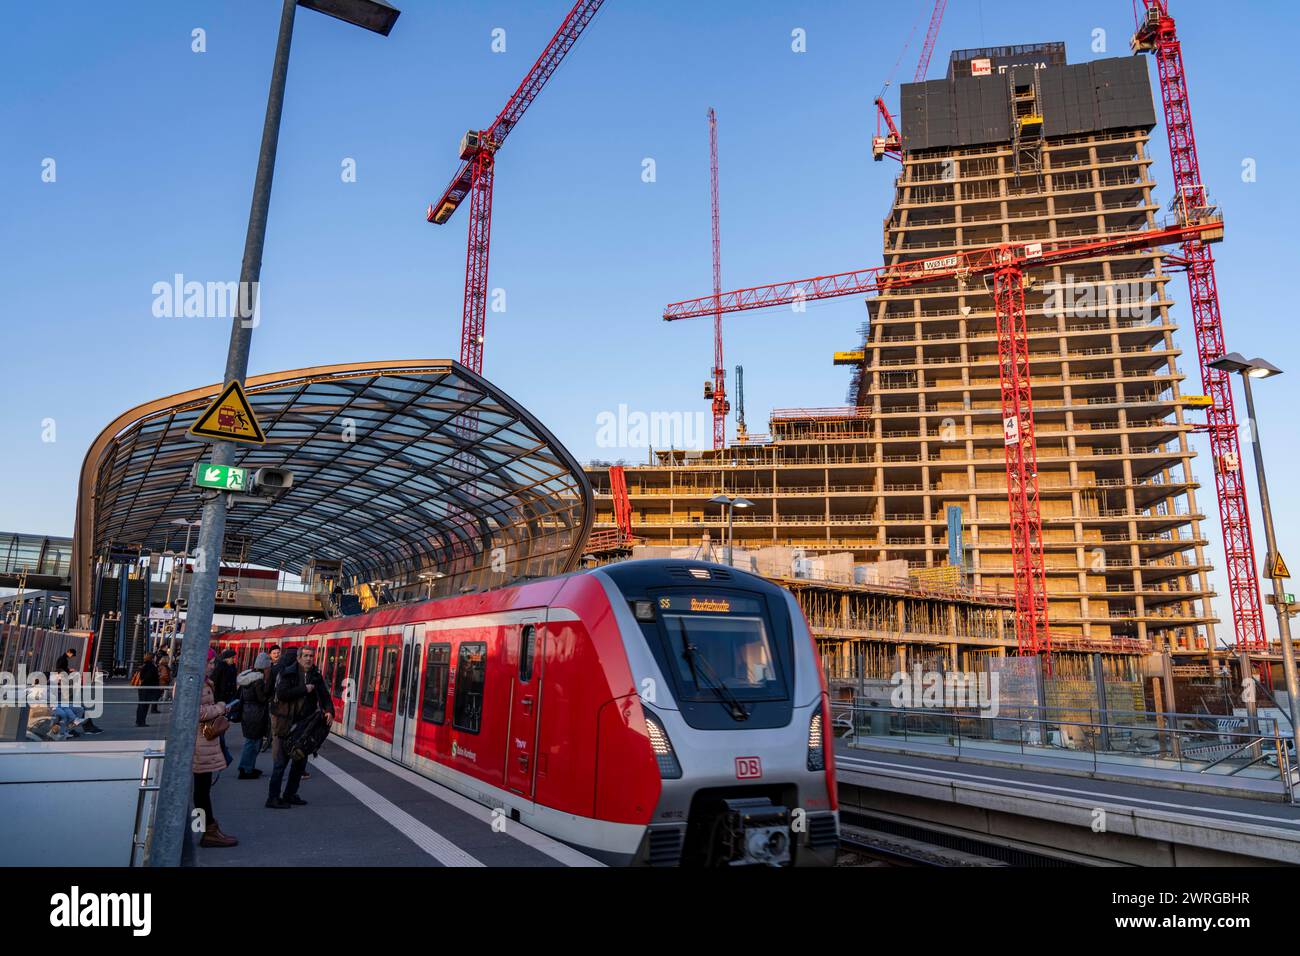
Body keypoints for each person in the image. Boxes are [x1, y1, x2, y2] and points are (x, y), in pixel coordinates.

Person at [266, 646, 333, 809]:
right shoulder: (287, 673)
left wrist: (329, 710)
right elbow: (282, 694)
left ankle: (290, 794)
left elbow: (325, 696)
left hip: (304, 728)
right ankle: (273, 798)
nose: (309, 659)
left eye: (311, 656)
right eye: (306, 656)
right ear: (298, 658)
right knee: (280, 764)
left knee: (299, 763)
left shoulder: (315, 676)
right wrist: (304, 689)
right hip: (286, 725)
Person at [193, 657, 238, 848]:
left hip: (204, 743)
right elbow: (198, 711)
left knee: (202, 789)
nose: (212, 666)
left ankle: (204, 830)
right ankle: (208, 832)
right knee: (201, 790)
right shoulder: (195, 683)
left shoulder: (202, 683)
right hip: (200, 743)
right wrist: (220, 707)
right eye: (209, 662)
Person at [236, 652, 273, 779]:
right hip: (256, 715)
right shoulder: (258, 681)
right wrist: (270, 693)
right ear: (265, 667)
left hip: (248, 713)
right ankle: (246, 769)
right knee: (252, 743)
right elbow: (261, 698)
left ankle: (247, 767)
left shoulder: (248, 677)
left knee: (251, 742)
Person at [134, 653, 160, 727]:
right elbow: (148, 677)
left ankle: (139, 721)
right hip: (148, 688)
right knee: (144, 705)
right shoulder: (151, 666)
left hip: (143, 687)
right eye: (154, 657)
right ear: (151, 658)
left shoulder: (144, 665)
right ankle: (141, 722)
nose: (155, 659)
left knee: (141, 705)